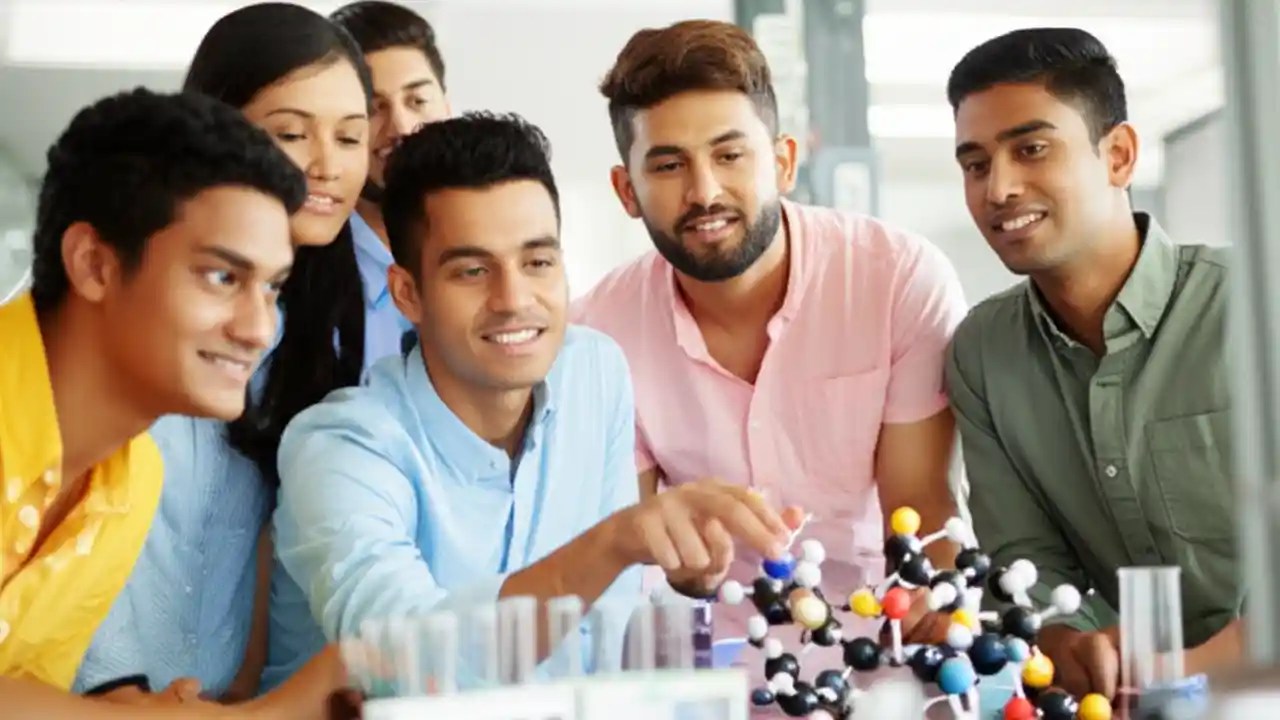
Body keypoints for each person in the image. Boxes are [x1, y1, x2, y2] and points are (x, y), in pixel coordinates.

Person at [265, 111, 795, 685]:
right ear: (408, 294)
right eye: (472, 271)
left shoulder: (592, 372)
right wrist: (617, 542)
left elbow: (601, 638)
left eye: (538, 262)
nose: (514, 299)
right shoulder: (341, 448)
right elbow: (412, 664)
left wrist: (688, 572)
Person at [571, 19, 967, 659]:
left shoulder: (896, 280)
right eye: (669, 165)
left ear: (783, 161)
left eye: (730, 155)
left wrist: (938, 598)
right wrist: (680, 565)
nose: (704, 192)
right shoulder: (597, 332)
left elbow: (920, 503)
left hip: (890, 659)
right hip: (719, 671)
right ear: (627, 191)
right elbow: (629, 552)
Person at [76, 2, 373, 703]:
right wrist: (114, 685)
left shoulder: (321, 314)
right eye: (291, 132)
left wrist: (243, 689)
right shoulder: (113, 280)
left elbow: (271, 531)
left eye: (351, 136)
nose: (327, 165)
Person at [0, 87, 323, 718]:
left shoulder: (129, 481)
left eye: (273, 288)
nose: (259, 328)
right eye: (223, 277)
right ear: (94, 264)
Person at [944, 28, 1243, 700]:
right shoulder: (982, 354)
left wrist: (1194, 664)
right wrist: (1067, 641)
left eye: (1031, 149)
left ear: (1119, 155)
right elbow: (1026, 559)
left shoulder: (1253, 309)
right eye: (975, 164)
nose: (999, 188)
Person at [331, 1, 453, 360]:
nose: (401, 127)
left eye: (417, 100)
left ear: (446, 107)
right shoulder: (301, 283)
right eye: (374, 108)